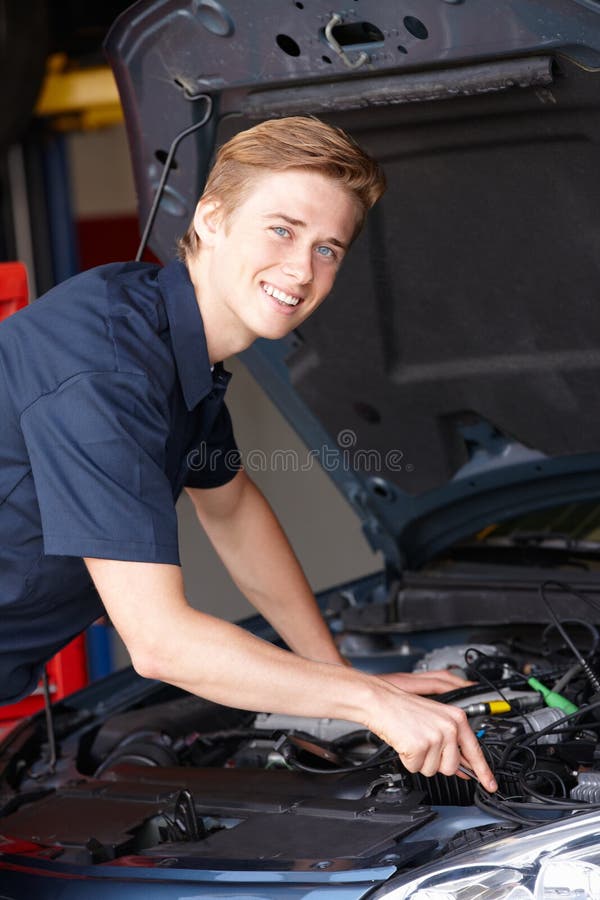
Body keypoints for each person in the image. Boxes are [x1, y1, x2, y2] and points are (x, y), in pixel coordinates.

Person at [0, 116, 496, 790]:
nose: (302, 269)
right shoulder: (111, 371)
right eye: (283, 229)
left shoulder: (168, 342)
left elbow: (231, 508)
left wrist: (335, 675)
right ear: (210, 217)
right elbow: (159, 642)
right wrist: (371, 703)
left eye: (329, 248)